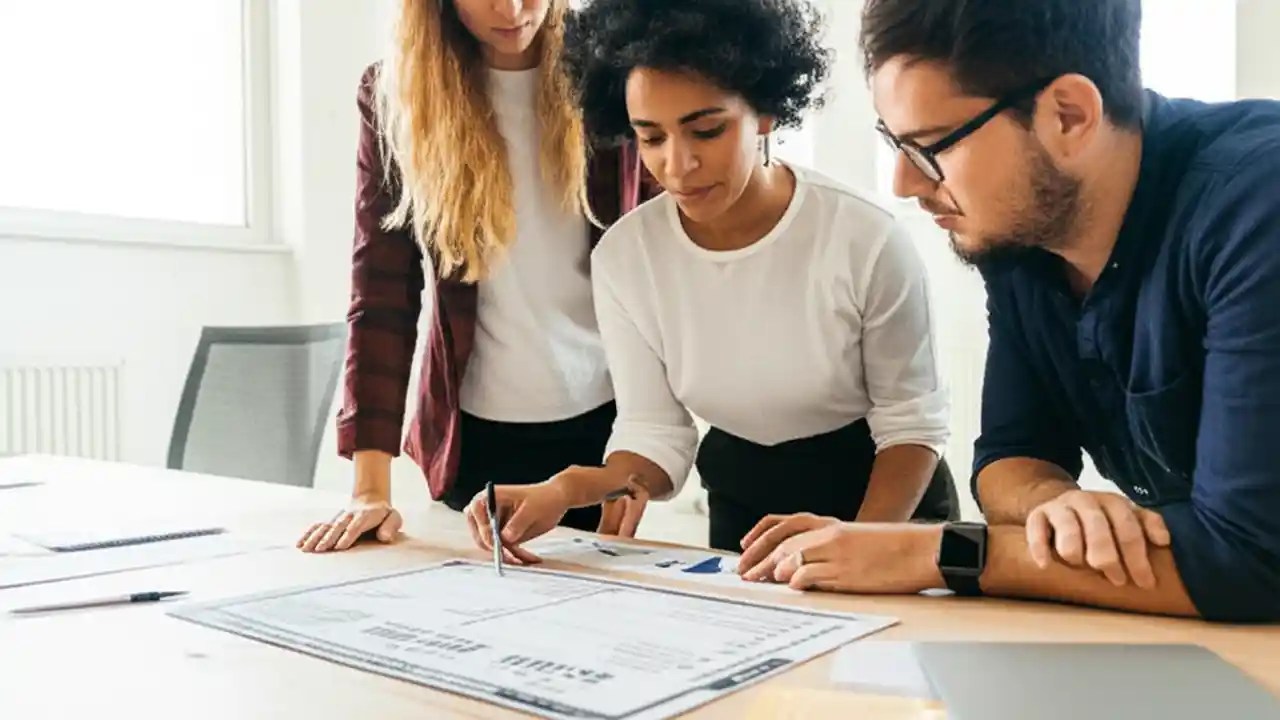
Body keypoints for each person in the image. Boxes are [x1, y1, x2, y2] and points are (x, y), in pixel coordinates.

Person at [732, 0, 1280, 622]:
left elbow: (1252, 558)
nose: (904, 185)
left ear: (1068, 116)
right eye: (894, 144)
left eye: (930, 147)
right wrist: (1053, 504)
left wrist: (937, 553)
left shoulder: (1257, 205)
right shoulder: (1022, 234)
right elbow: (1007, 459)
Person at [464, 0, 957, 559]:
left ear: (765, 113)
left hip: (889, 509)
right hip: (746, 507)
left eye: (706, 131)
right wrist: (567, 488)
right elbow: (653, 431)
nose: (677, 165)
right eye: (651, 138)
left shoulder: (864, 238)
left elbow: (912, 428)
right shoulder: (627, 257)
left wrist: (863, 546)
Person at [297, 0, 655, 554]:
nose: (511, 8)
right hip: (472, 439)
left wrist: (639, 451)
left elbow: (658, 274)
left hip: (602, 428)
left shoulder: (612, 74)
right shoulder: (395, 95)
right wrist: (370, 490)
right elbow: (381, 294)